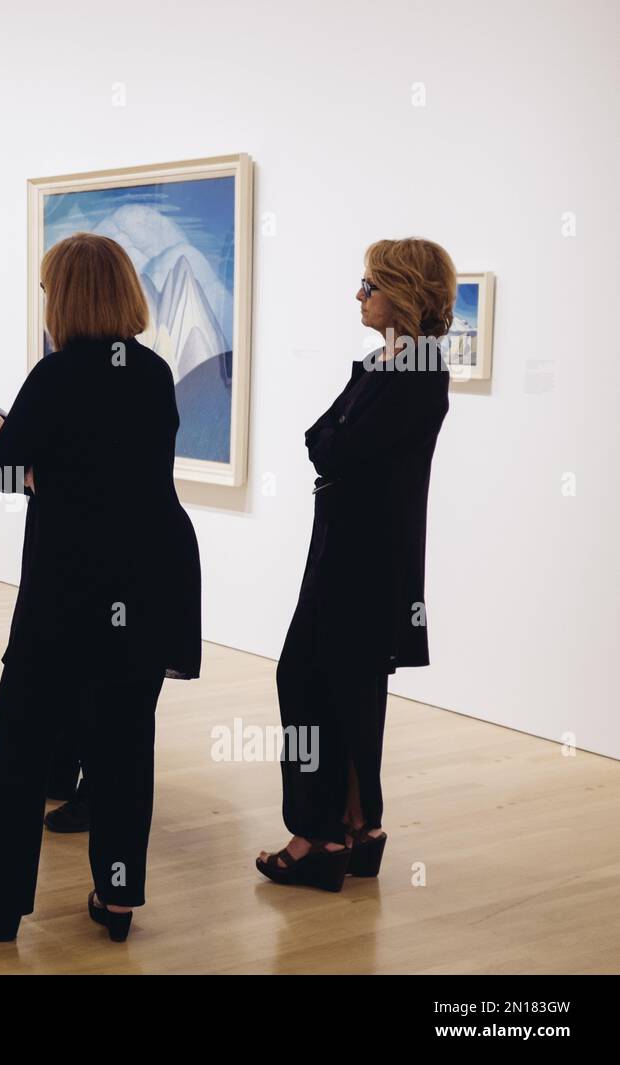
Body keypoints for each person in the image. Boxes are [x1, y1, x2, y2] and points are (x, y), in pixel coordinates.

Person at [0, 233, 202, 944]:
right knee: (124, 743)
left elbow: (11, 472)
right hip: (150, 578)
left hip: (70, 586)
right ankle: (118, 895)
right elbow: (121, 474)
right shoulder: (152, 371)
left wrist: (8, 435)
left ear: (66, 297)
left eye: (49, 289)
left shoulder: (57, 374)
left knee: (21, 741)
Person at [256, 238, 454, 892]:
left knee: (309, 680)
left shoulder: (415, 369)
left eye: (370, 284)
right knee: (348, 686)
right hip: (354, 546)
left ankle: (315, 835)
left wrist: (331, 439)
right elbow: (326, 436)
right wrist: (331, 438)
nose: (359, 294)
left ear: (405, 291)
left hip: (364, 557)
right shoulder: (386, 361)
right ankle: (357, 825)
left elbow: (331, 447)